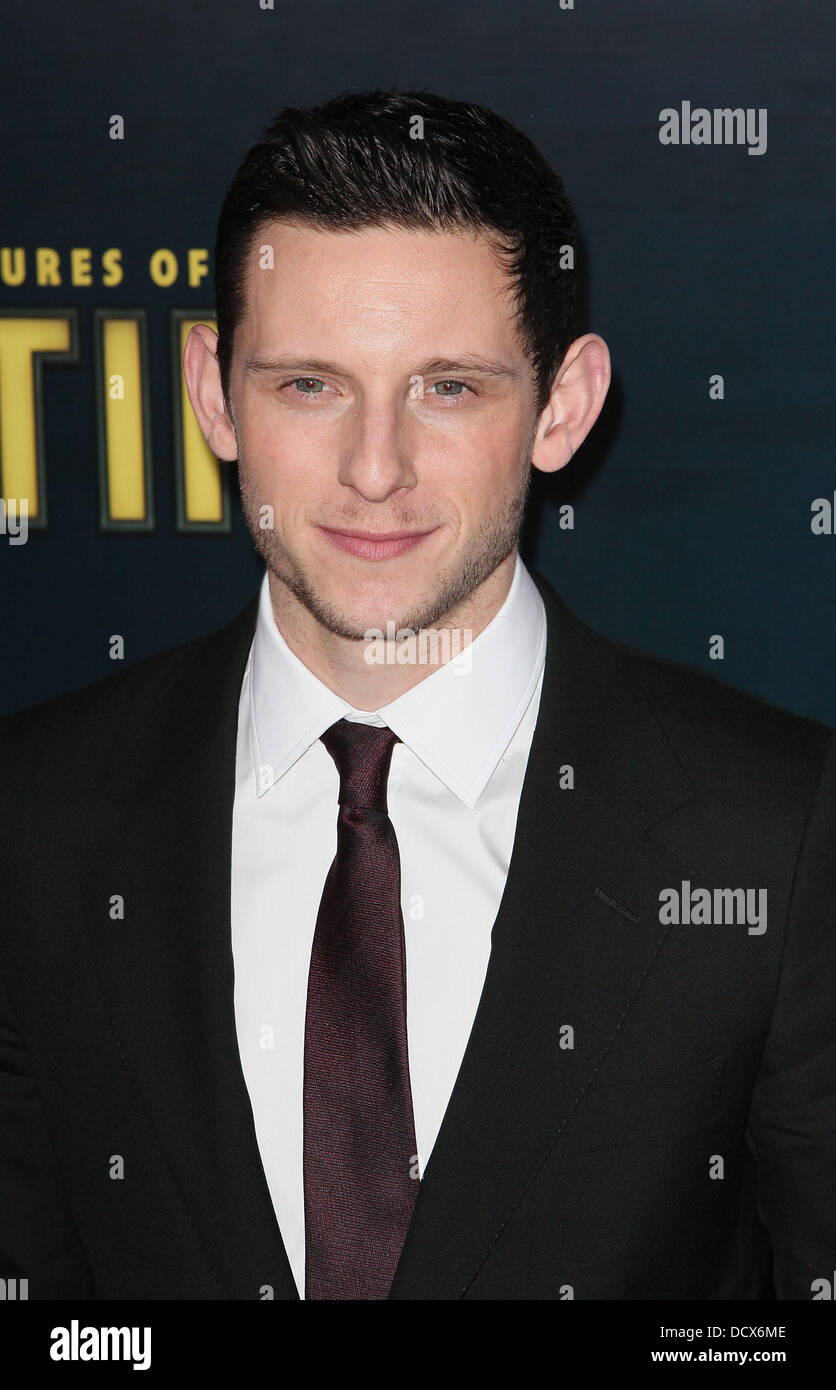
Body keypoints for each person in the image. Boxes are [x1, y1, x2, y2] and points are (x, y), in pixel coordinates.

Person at [1, 89, 834, 1302]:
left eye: (446, 388)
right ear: (211, 392)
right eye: (307, 386)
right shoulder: (36, 819)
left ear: (563, 405)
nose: (372, 469)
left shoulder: (776, 831)